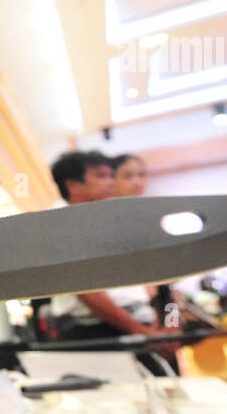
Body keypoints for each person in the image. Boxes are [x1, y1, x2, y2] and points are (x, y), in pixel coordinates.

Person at [46, 150, 178, 371]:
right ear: (73, 185)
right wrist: (141, 332)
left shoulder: (123, 224)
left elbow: (166, 290)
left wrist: (170, 329)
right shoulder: (63, 225)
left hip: (145, 326)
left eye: (142, 175)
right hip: (100, 332)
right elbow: (88, 292)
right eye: (103, 176)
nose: (111, 182)